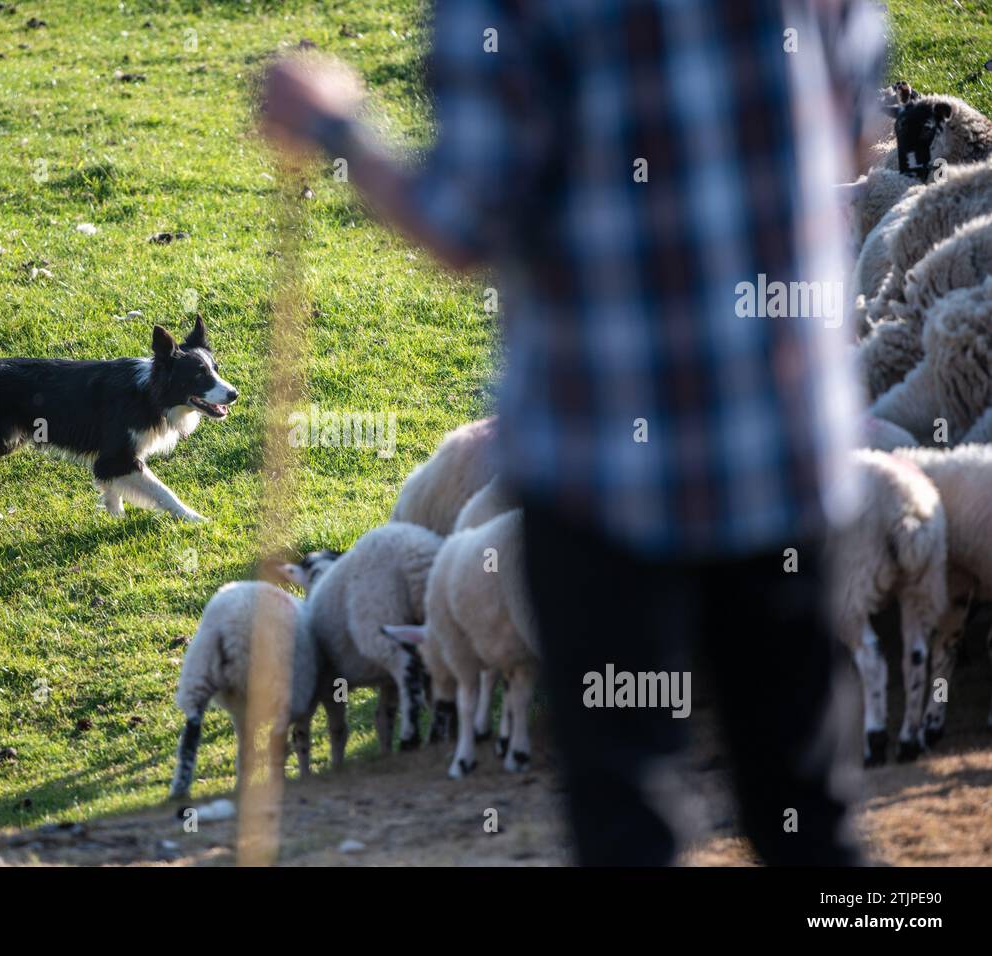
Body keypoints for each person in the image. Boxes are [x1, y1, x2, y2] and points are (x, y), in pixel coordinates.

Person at [260, 0, 887, 865]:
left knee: (628, 816)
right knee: (810, 817)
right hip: (780, 447)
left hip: (600, 471)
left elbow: (460, 219)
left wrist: (336, 125)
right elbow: (856, 133)